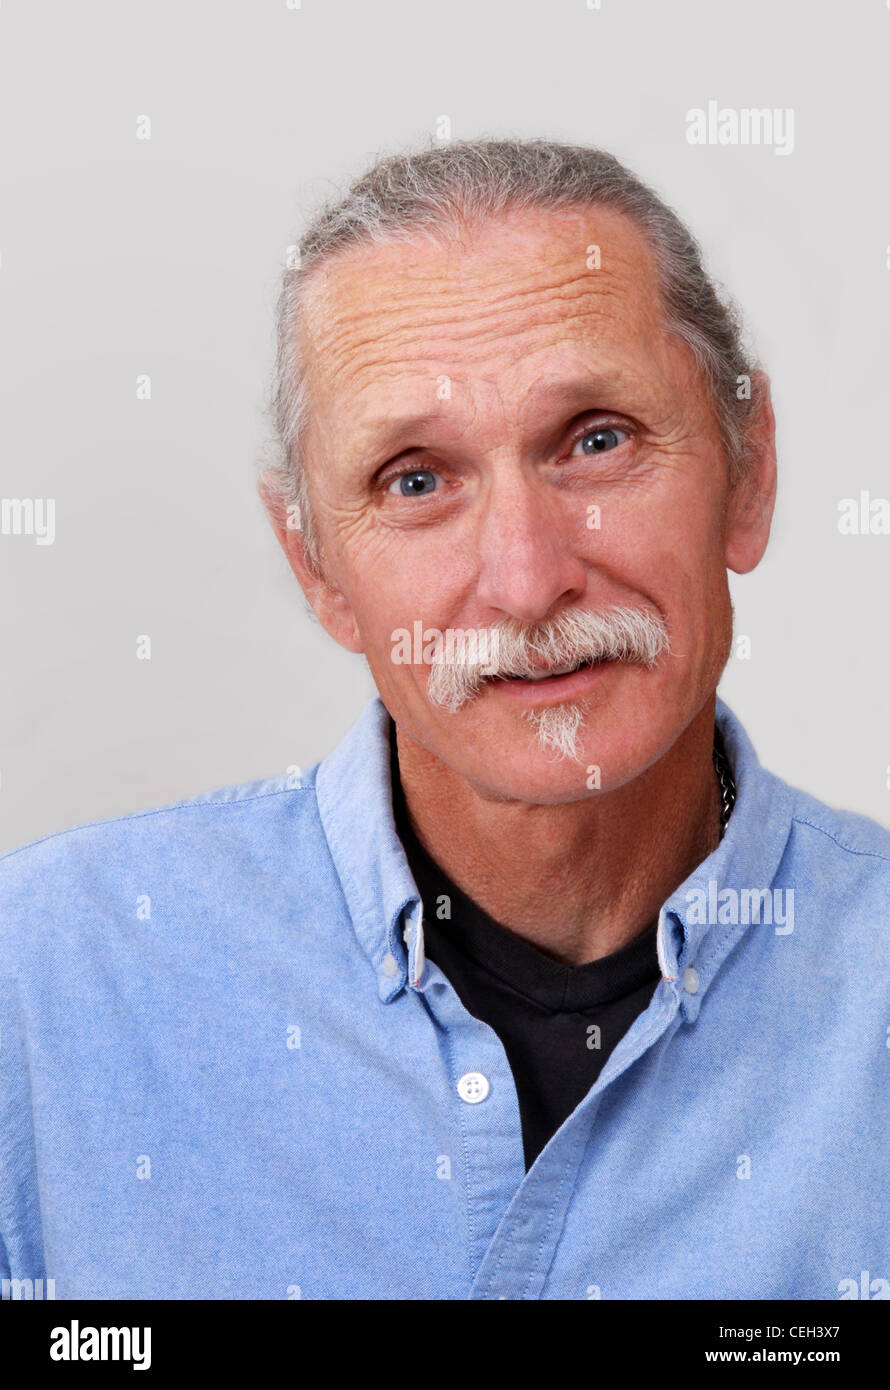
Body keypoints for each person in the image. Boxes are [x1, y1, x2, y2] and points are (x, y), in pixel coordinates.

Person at [2, 139, 888, 1301]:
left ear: (748, 468)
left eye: (597, 439)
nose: (525, 583)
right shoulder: (45, 980)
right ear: (314, 566)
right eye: (415, 480)